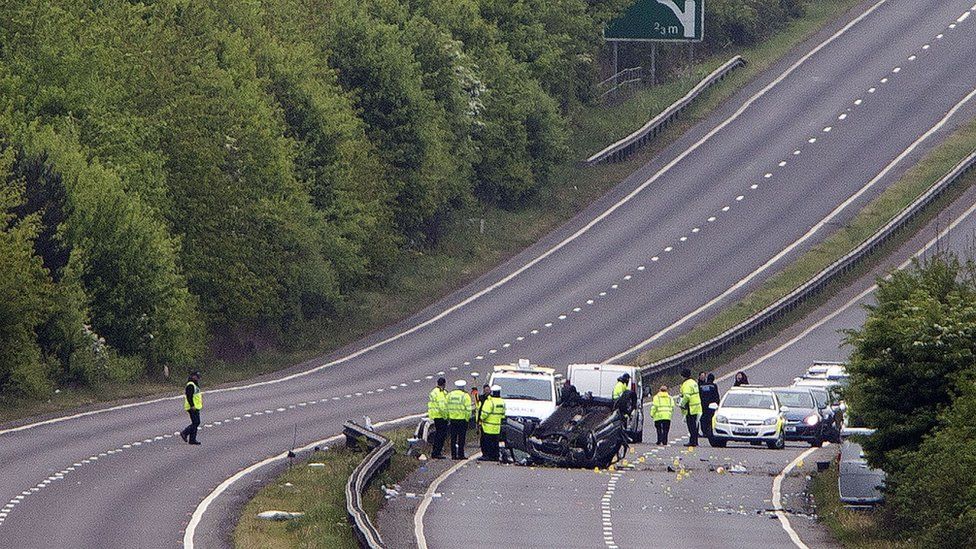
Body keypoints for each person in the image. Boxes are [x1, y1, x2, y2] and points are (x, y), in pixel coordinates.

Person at [479, 385, 506, 461]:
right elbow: (503, 415)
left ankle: (488, 456)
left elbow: (484, 413)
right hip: (497, 426)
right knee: (495, 443)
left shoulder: (490, 401)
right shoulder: (502, 402)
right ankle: (495, 456)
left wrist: (481, 419)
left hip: (488, 426)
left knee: (487, 442)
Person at [447, 380, 472, 459]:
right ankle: (461, 455)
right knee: (461, 438)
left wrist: (448, 417)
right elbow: (468, 409)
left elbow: (446, 406)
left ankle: (453, 455)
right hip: (462, 420)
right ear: (463, 387)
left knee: (453, 438)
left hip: (453, 419)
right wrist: (467, 419)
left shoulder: (450, 394)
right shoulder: (465, 396)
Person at [679, 368, 702, 447]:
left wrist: (682, 404)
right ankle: (695, 441)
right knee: (695, 425)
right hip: (697, 406)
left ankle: (692, 442)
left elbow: (687, 396)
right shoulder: (693, 382)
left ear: (683, 376)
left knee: (691, 425)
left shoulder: (686, 384)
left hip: (690, 407)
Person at [427, 377, 449, 459]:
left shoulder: (434, 392)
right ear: (444, 384)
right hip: (441, 417)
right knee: (441, 435)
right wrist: (446, 417)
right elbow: (442, 407)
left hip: (435, 416)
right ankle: (437, 452)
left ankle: (435, 452)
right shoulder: (440, 393)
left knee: (438, 435)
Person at [180, 371, 203, 445]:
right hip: (191, 407)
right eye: (196, 376)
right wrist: (192, 405)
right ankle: (185, 433)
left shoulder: (195, 384)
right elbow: (189, 396)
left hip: (196, 406)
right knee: (196, 422)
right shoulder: (190, 385)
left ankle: (192, 439)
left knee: (196, 423)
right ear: (193, 376)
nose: (197, 378)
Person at [699, 373, 721, 440]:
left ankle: (704, 432)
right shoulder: (713, 386)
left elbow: (700, 395)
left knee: (703, 418)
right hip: (712, 405)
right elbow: (716, 395)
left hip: (703, 404)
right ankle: (710, 432)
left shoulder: (701, 386)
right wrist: (718, 403)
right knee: (710, 418)